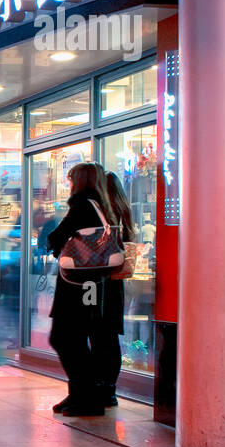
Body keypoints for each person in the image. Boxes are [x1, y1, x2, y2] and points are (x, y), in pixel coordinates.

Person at [44, 162, 115, 417]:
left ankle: (87, 398)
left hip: (76, 285)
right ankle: (79, 394)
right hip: (91, 283)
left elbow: (56, 236)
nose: (69, 182)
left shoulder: (82, 204)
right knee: (76, 338)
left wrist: (52, 244)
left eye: (71, 178)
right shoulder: (99, 206)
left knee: (65, 338)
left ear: (80, 181)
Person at [94, 170, 134, 408]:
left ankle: (102, 386)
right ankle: (110, 388)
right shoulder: (124, 212)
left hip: (99, 280)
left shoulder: (104, 215)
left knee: (98, 334)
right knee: (109, 335)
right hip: (115, 282)